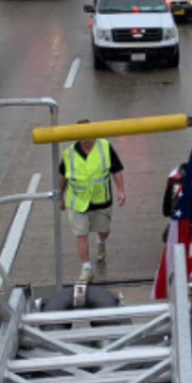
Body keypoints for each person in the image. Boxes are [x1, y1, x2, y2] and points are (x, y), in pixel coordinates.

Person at [59, 121, 126, 283]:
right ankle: (86, 268)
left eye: (89, 136)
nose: (86, 140)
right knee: (81, 234)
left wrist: (121, 190)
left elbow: (116, 170)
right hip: (78, 203)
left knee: (104, 230)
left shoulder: (105, 147)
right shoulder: (69, 154)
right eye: (82, 137)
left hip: (101, 201)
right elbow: (63, 176)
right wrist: (60, 196)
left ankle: (101, 241)